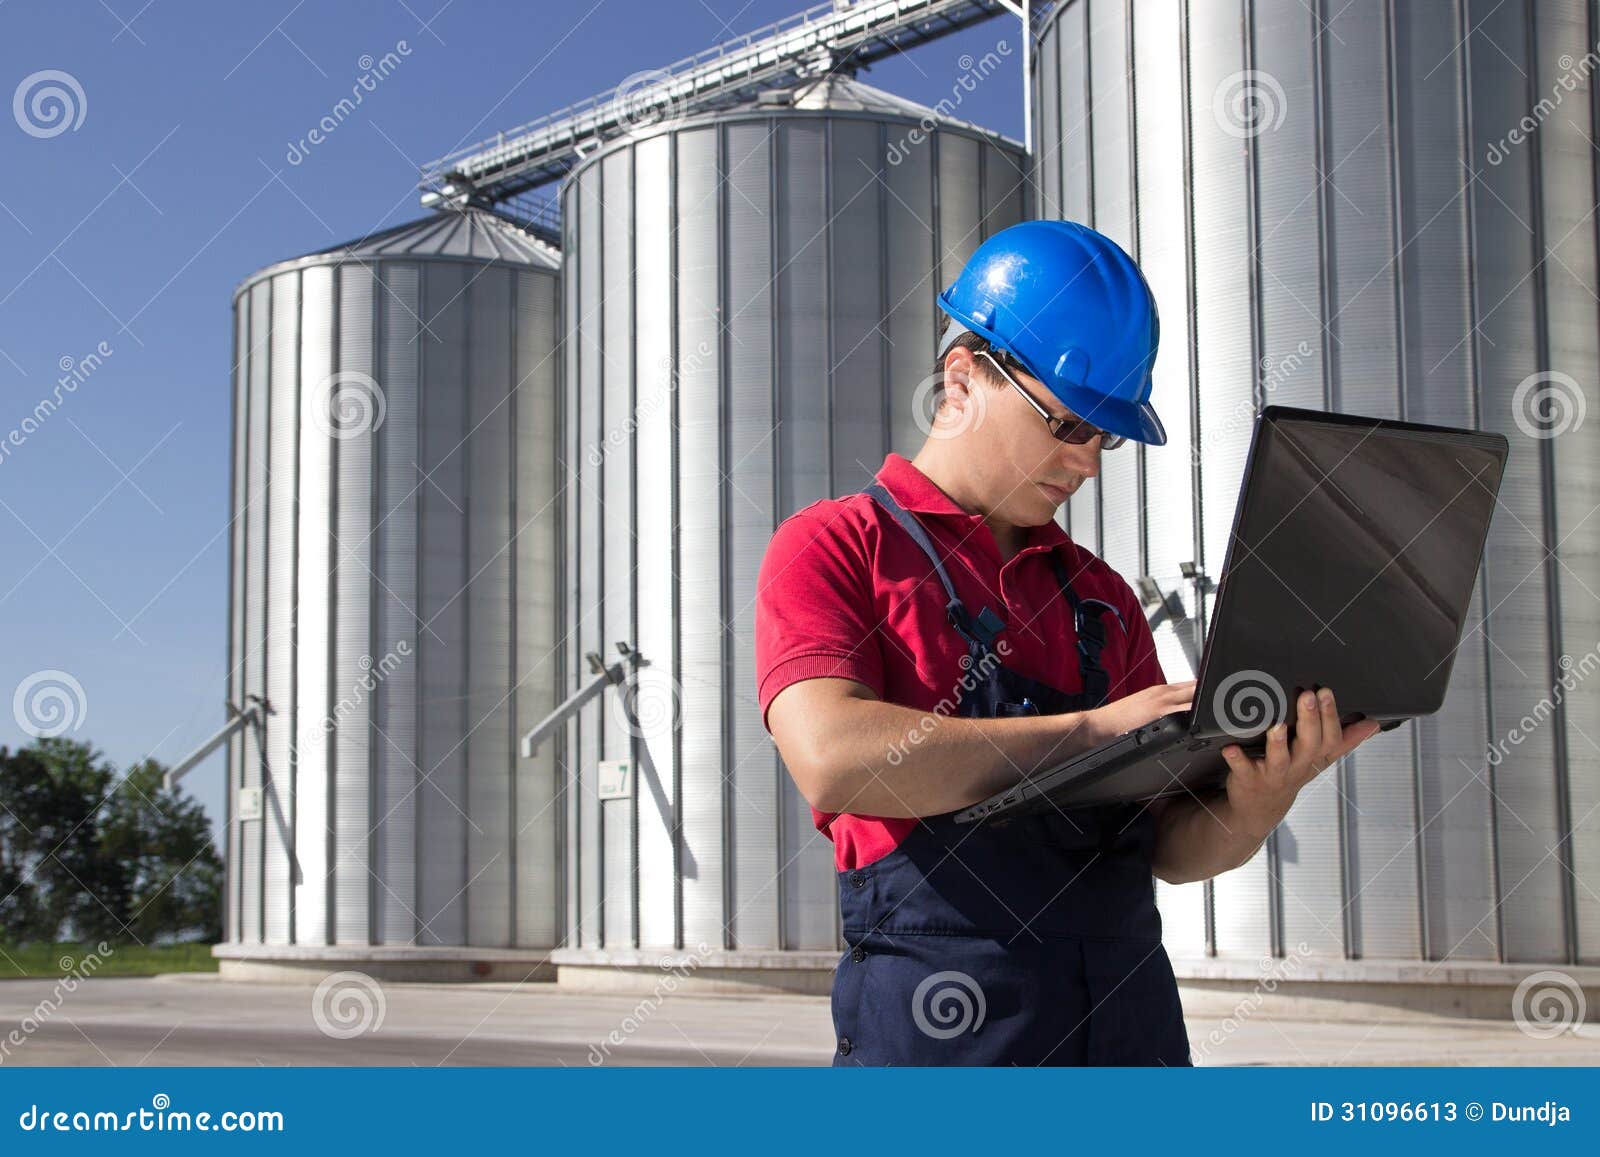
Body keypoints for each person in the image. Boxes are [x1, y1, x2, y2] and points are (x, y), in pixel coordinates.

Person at [753, 219, 1381, 1066]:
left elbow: (1169, 848)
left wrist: (1257, 803)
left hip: (1131, 1042)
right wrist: (1095, 731)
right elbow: (834, 757)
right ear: (962, 379)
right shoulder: (838, 547)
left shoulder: (1102, 599)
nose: (1087, 463)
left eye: (1104, 435)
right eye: (1067, 425)